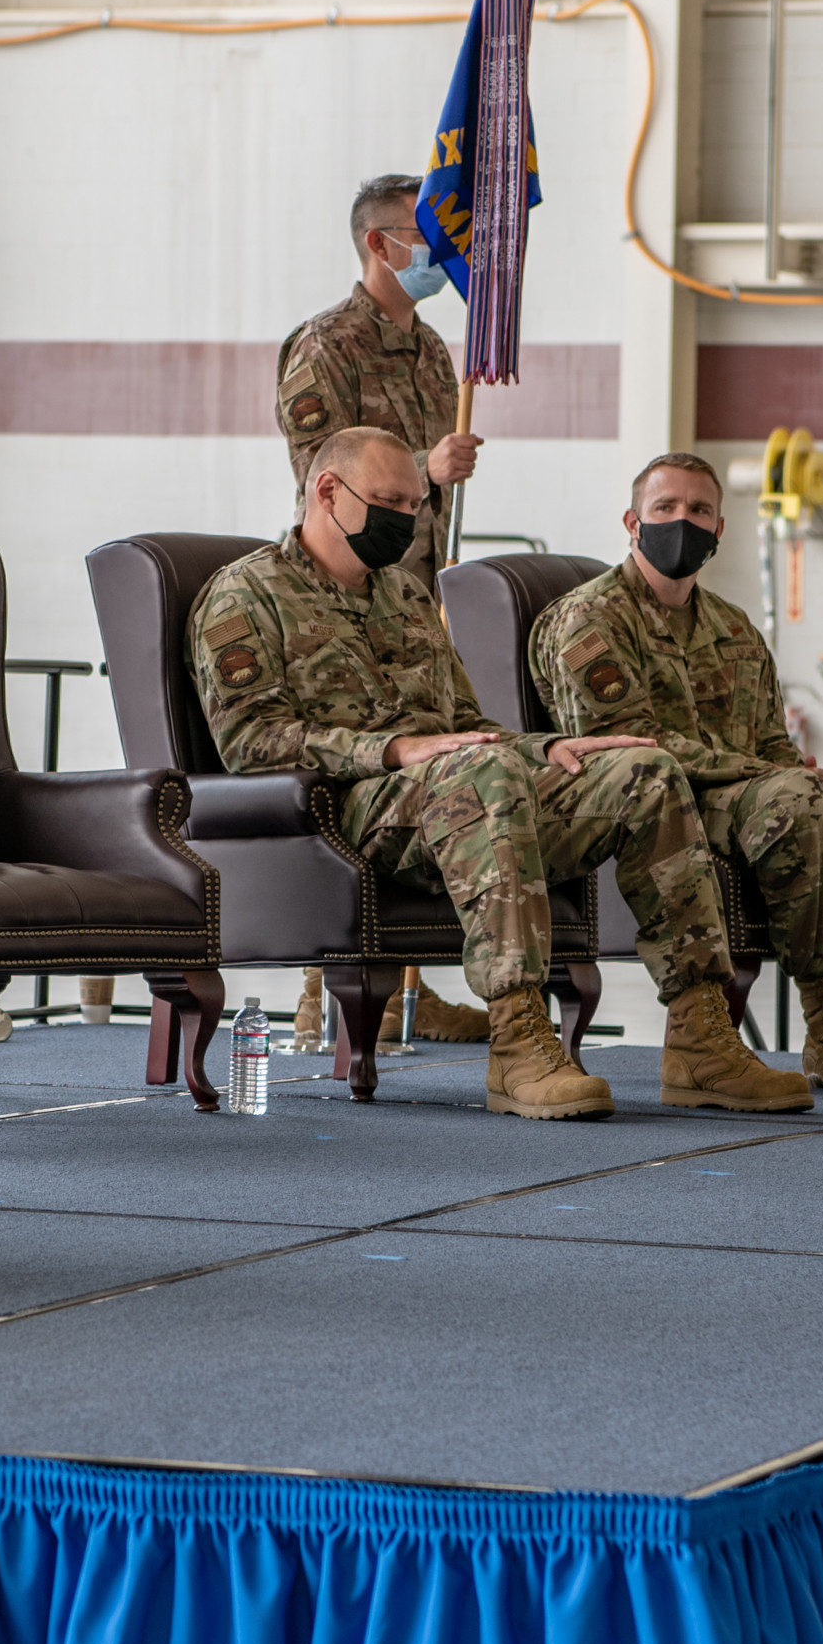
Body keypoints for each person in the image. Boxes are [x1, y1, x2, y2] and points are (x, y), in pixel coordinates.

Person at [186, 426, 810, 1118]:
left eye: (416, 504)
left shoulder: (409, 597)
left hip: (463, 786)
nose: (406, 518)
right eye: (389, 499)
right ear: (327, 490)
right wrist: (389, 751)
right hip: (348, 810)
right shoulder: (245, 595)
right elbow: (250, 741)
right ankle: (518, 1041)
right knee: (481, 773)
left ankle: (699, 1038)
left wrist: (540, 751)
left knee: (644, 772)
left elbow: (466, 724)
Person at [527, 453, 823, 1092]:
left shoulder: (733, 628)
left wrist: (806, 778)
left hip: (770, 808)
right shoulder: (590, 620)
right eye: (665, 508)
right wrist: (784, 779)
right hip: (666, 814)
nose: (681, 521)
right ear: (632, 522)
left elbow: (772, 740)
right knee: (793, 793)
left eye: (698, 511)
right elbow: (622, 748)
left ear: (719, 531)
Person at [273, 175, 487, 1052]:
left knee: (429, 765)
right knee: (348, 779)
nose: (442, 250)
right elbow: (319, 466)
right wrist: (427, 471)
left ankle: (411, 983)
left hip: (415, 588)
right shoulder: (325, 345)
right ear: (378, 243)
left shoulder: (434, 351)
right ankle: (320, 991)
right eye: (425, 233)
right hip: (341, 592)